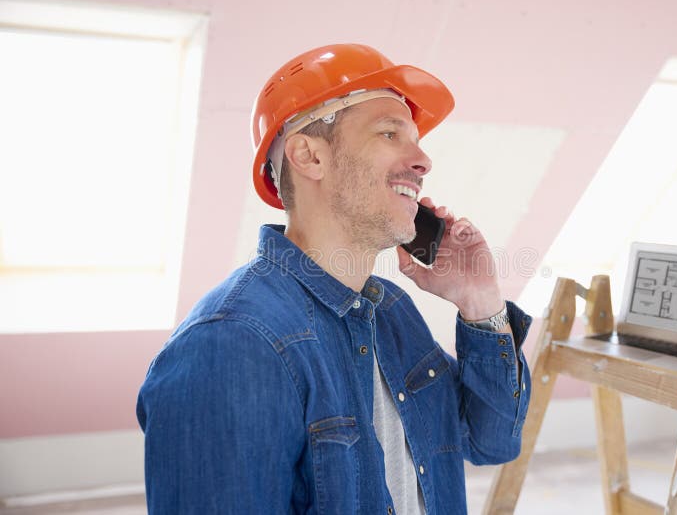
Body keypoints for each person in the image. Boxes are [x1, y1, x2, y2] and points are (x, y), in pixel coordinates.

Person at [137, 44, 532, 514]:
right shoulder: (231, 344)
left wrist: (480, 303)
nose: (423, 161)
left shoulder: (390, 312)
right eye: (390, 133)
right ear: (309, 156)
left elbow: (491, 441)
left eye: (416, 140)